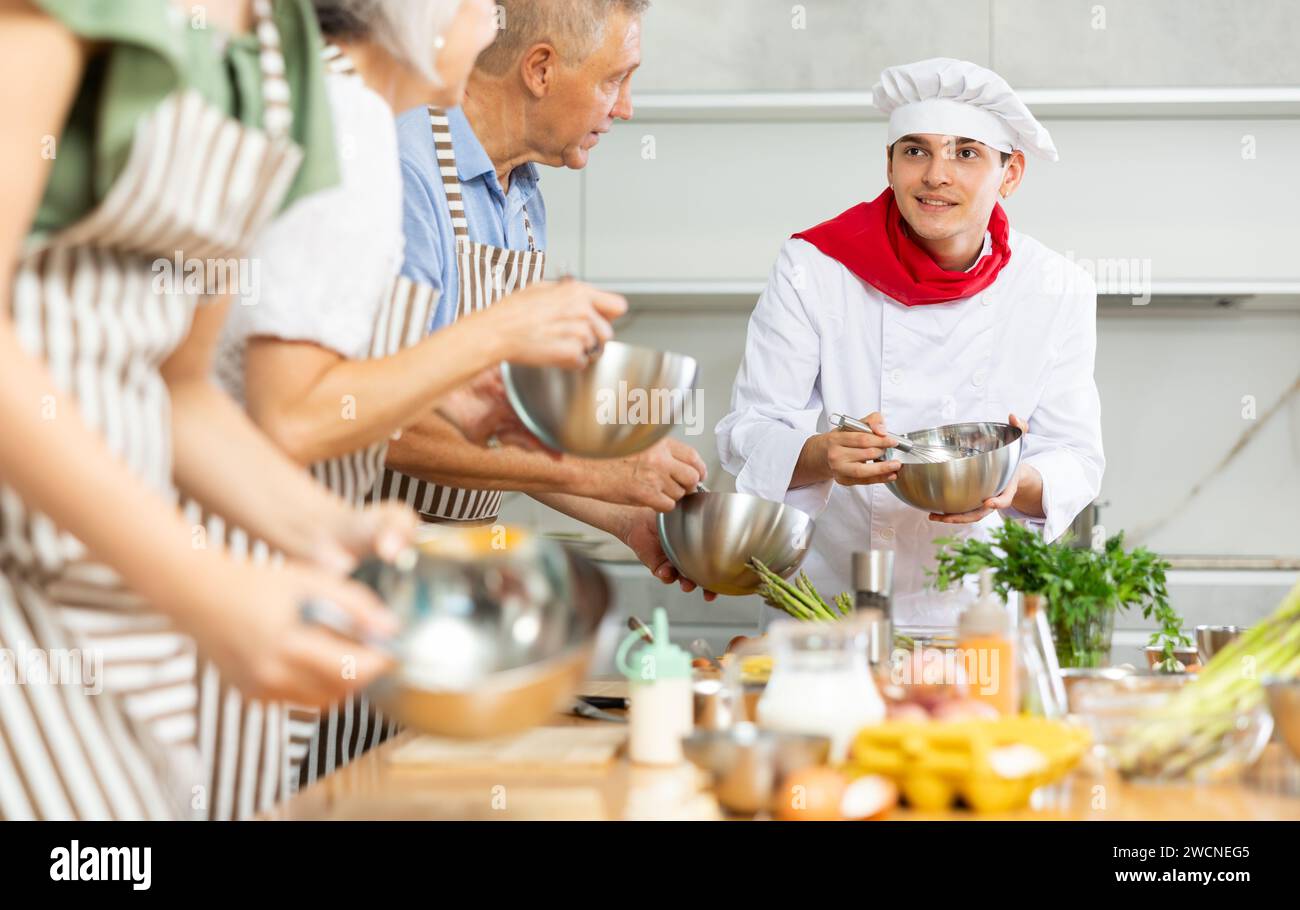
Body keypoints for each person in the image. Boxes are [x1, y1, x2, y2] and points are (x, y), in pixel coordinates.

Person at [212, 0, 628, 799]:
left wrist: (342, 521)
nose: (490, 35)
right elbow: (292, 411)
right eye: (482, 9)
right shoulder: (356, 129)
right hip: (243, 571)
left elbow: (213, 391)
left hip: (316, 554)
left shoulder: (338, 111)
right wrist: (501, 335)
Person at [0, 0, 402, 820]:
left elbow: (180, 388)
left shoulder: (276, 45)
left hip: (122, 597)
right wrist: (206, 585)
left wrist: (332, 530)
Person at [717, 58, 1105, 628]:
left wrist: (1010, 483)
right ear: (891, 166)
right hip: (833, 608)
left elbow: (1076, 456)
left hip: (979, 611)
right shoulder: (815, 267)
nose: (936, 175)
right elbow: (747, 430)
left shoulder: (1056, 287)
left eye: (966, 152)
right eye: (915, 151)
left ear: (1011, 173)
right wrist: (823, 454)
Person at [389, 0, 716, 599]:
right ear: (539, 69)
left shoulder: (522, 194)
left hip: (445, 579)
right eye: (614, 79)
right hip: (358, 569)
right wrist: (601, 471)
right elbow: (391, 426)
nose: (625, 108)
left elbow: (504, 427)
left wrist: (626, 515)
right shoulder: (408, 173)